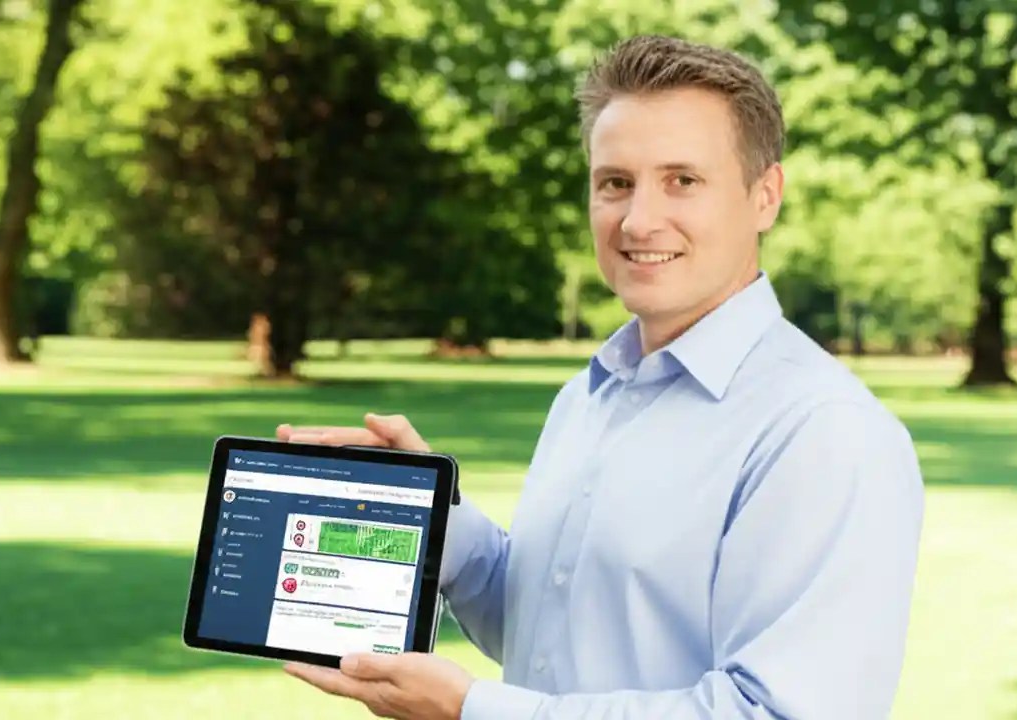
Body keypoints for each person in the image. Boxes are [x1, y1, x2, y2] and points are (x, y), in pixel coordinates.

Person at [278, 34, 924, 720]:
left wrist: (473, 711)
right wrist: (441, 522)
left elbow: (772, 713)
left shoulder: (822, 431)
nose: (640, 220)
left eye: (682, 180)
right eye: (615, 183)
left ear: (765, 196)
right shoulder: (592, 395)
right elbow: (553, 634)